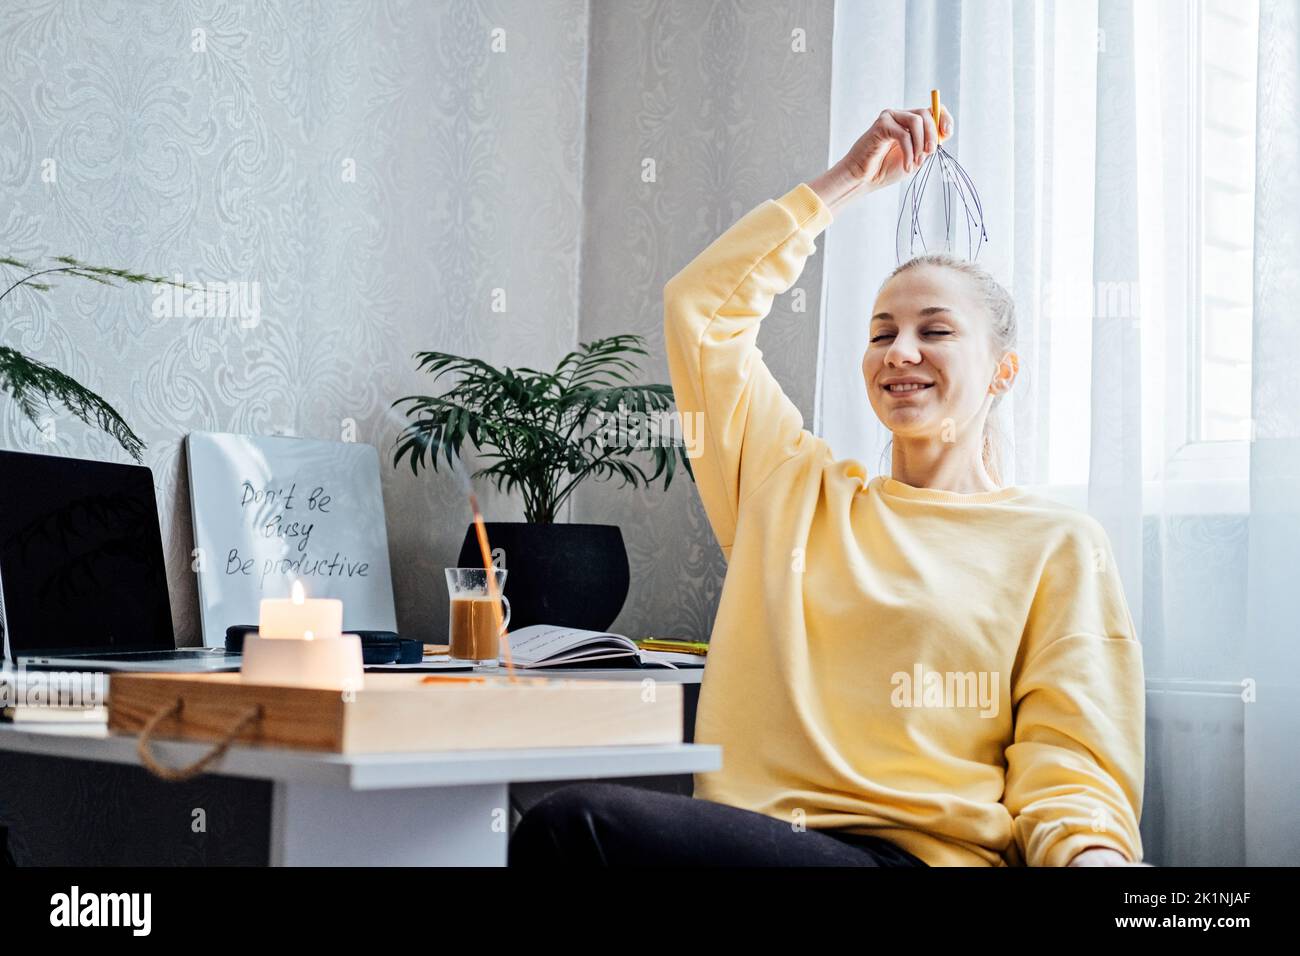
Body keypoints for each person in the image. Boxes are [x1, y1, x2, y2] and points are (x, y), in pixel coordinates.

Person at [509, 104, 1146, 867]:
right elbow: (702, 312)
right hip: (766, 842)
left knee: (575, 826)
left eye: (935, 330)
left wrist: (1096, 861)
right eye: (881, 332)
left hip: (925, 859)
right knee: (571, 822)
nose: (899, 351)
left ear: (1003, 372)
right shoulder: (792, 490)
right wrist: (847, 182)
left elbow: (1072, 766)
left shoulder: (1058, 544)